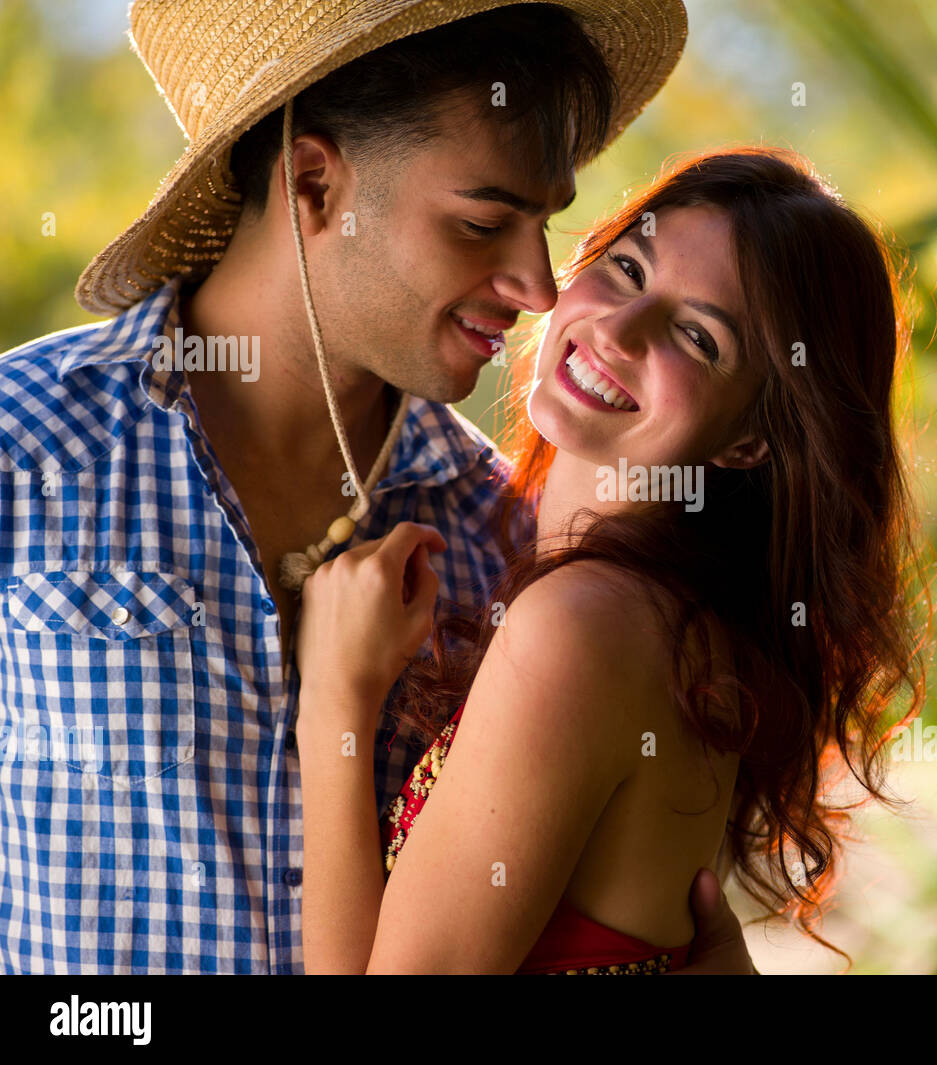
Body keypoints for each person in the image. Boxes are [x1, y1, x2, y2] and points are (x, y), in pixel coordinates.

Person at [0, 0, 754, 974]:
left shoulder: (507, 543)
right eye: (485, 222)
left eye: (546, 225)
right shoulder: (26, 448)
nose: (538, 284)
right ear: (315, 183)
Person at [293, 148, 930, 973]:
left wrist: (335, 699)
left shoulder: (582, 626)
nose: (618, 330)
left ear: (751, 440)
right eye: (628, 268)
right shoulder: (678, 624)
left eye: (699, 337)